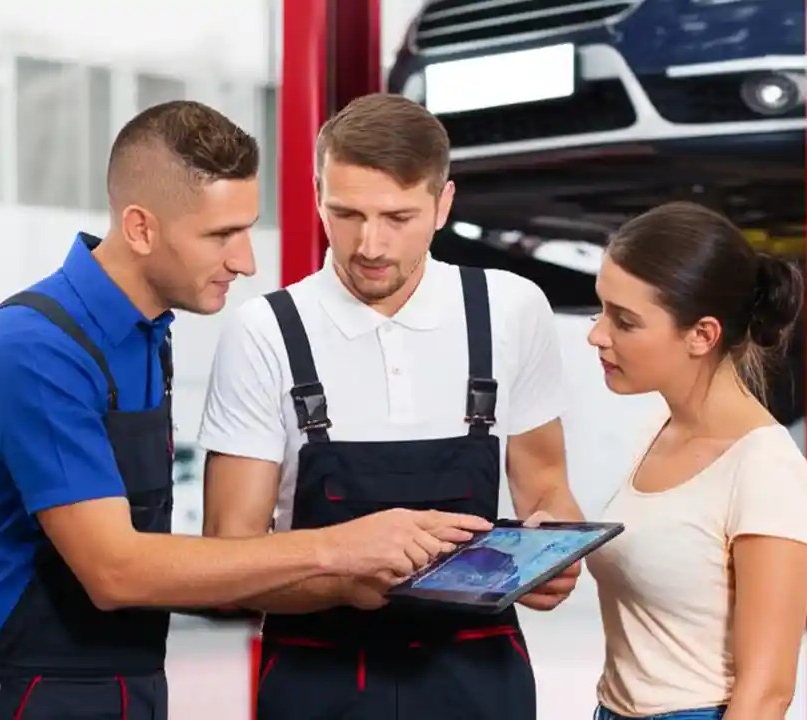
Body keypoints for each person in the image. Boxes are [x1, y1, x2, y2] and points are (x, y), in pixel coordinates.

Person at [0, 100, 490, 720]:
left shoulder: (145, 337)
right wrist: (340, 548)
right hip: (25, 697)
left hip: (126, 686)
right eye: (221, 235)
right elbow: (117, 571)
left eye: (247, 229)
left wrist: (346, 584)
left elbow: (171, 566)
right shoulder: (37, 349)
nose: (245, 261)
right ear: (141, 228)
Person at [198, 92, 585, 720]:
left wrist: (553, 552)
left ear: (443, 205)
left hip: (478, 675)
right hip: (316, 677)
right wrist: (344, 574)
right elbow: (227, 557)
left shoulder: (511, 310)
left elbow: (547, 489)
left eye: (397, 217)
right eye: (345, 213)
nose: (369, 245)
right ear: (317, 192)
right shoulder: (264, 332)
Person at [583, 202, 807, 720]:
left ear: (702, 335)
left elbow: (766, 693)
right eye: (600, 309)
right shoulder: (658, 429)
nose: (597, 335)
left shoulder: (766, 470)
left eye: (624, 322)